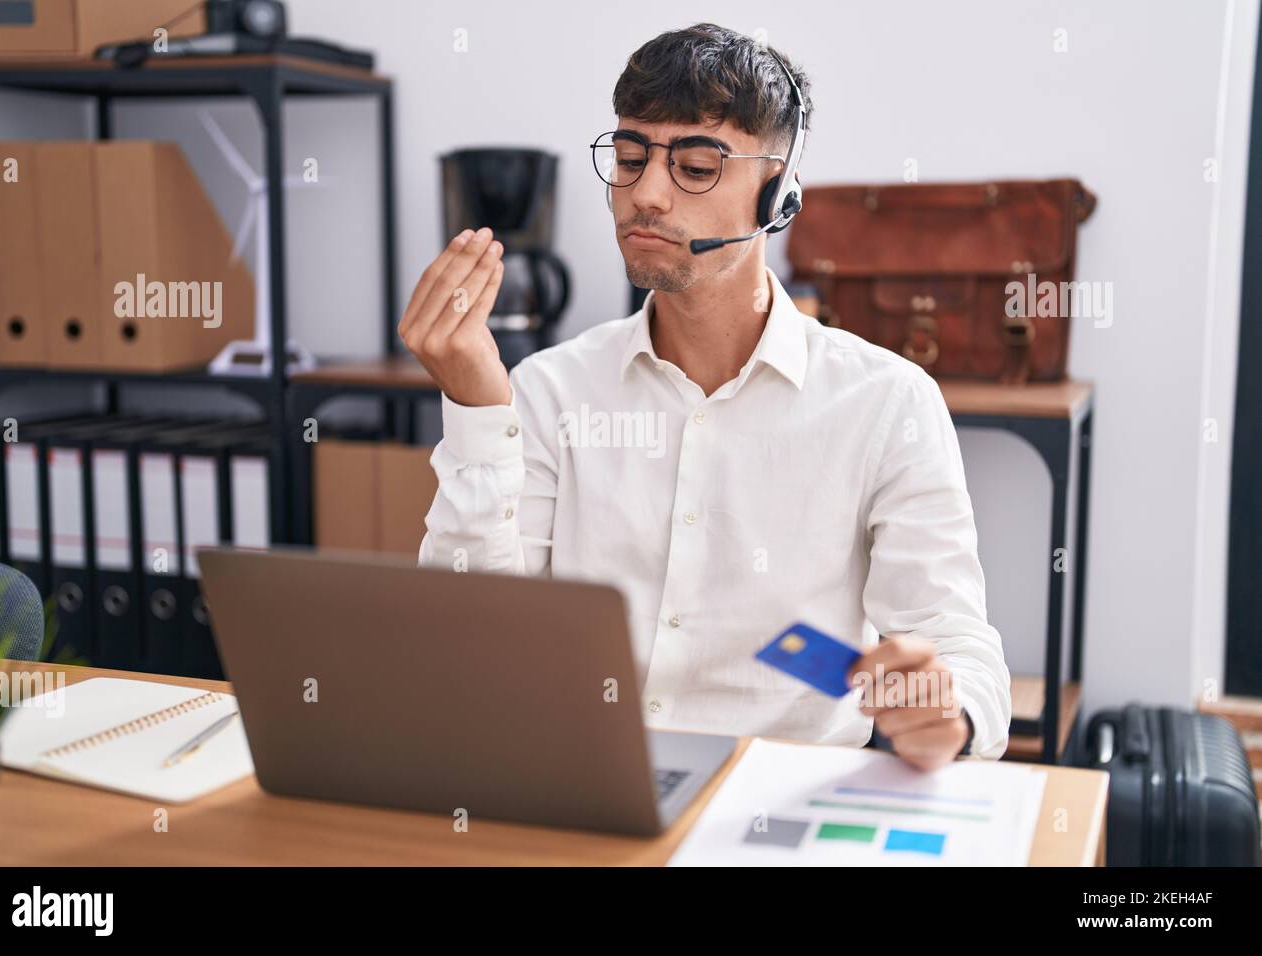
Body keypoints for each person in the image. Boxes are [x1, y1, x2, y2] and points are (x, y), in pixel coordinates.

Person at [400, 22, 1011, 769]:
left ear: (776, 195)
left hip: (782, 797)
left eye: (694, 166)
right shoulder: (550, 392)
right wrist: (476, 409)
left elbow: (957, 644)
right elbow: (471, 638)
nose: (645, 195)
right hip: (587, 780)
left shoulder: (887, 403)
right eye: (629, 159)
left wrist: (950, 717)